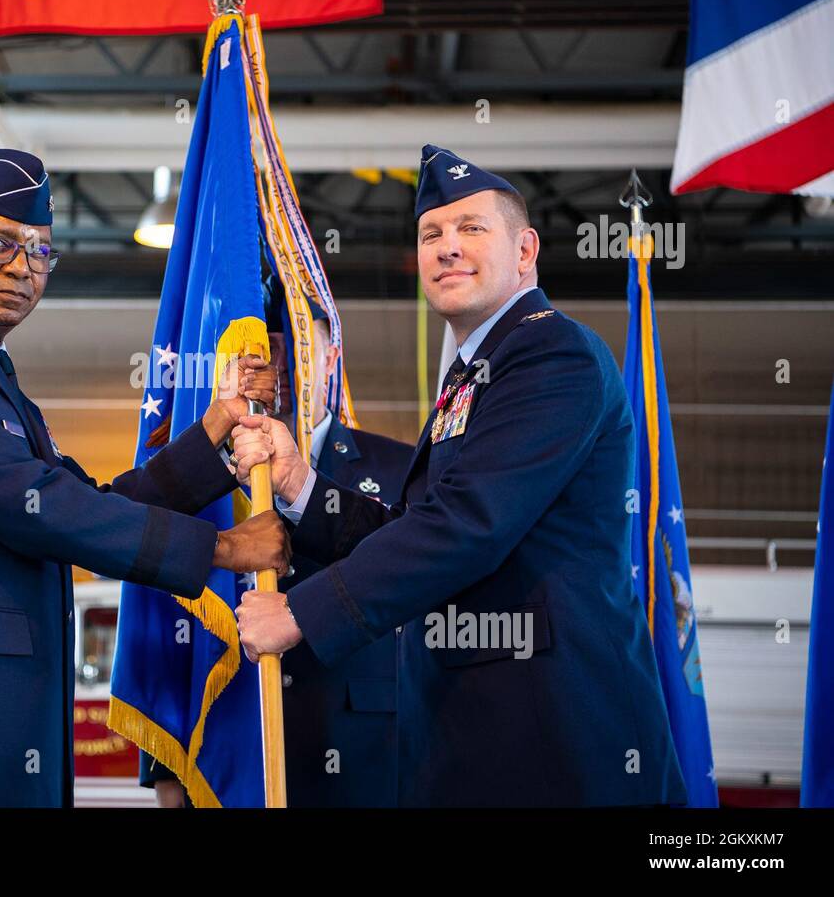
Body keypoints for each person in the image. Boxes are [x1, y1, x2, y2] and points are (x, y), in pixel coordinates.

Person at [0, 148, 289, 807]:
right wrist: (221, 549)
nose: (22, 267)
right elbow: (35, 507)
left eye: (40, 252)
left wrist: (212, 436)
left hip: (2, 717)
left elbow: (86, 504)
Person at [231, 145, 686, 807]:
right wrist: (302, 485)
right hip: (477, 738)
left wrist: (301, 610)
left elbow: (467, 526)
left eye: (472, 228)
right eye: (431, 234)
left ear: (525, 249)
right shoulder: (475, 372)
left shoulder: (551, 352)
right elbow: (419, 526)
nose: (447, 247)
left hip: (552, 741)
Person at [144, 283, 413, 807]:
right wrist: (165, 764)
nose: (277, 367)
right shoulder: (199, 474)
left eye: (297, 346)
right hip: (224, 753)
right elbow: (165, 608)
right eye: (261, 353)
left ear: (332, 355)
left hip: (363, 753)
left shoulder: (400, 470)